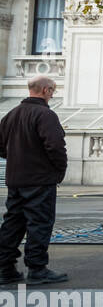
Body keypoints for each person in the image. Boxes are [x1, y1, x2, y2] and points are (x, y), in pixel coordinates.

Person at [0, 75, 70, 285]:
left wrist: (16, 159)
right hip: (40, 179)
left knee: (13, 222)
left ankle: (4, 268)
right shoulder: (45, 115)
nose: (52, 94)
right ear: (46, 90)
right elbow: (56, 146)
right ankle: (37, 269)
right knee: (39, 222)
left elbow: (1, 146)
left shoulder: (12, 114)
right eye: (53, 91)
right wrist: (59, 170)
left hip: (16, 179)